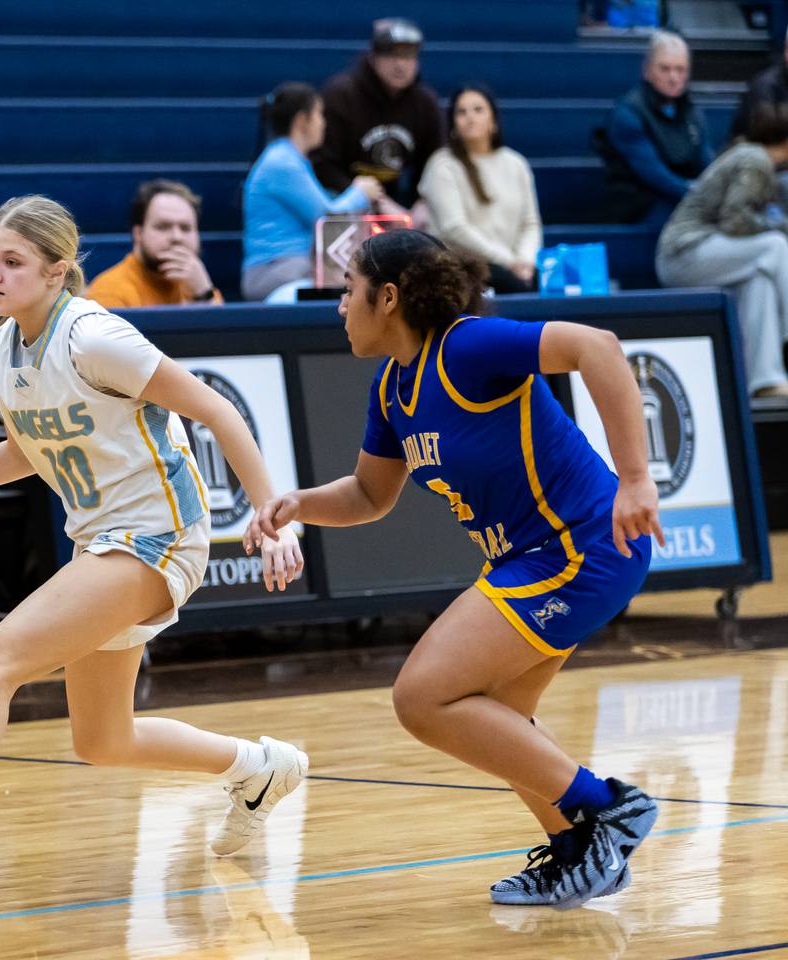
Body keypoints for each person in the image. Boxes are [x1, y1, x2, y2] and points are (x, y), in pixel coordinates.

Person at [0, 195, 308, 913]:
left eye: (12, 262)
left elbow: (215, 408)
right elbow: (24, 451)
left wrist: (272, 516)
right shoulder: (2, 348)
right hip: (100, 540)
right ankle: (258, 767)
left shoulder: (95, 337)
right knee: (102, 739)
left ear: (57, 271)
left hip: (156, 536)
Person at [251, 229, 665, 908]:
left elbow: (598, 346)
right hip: (534, 557)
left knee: (421, 698)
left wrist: (638, 479)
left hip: (583, 545)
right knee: (500, 718)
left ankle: (608, 808)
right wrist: (298, 504)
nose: (339, 305)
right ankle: (580, 854)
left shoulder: (466, 347)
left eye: (349, 289)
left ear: (388, 297)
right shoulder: (392, 389)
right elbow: (369, 496)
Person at [656, 103, 788, 399]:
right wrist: (780, 227)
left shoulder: (753, 156)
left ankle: (765, 380)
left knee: (760, 281)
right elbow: (735, 220)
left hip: (707, 252)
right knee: (776, 246)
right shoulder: (755, 159)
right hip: (683, 254)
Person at [242, 83, 385, 301]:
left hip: (293, 267)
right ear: (302, 120)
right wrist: (360, 192)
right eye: (319, 114)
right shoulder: (282, 163)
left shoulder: (290, 159)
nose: (323, 123)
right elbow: (326, 218)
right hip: (274, 271)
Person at [310, 18, 444, 214]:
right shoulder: (340, 96)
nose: (400, 64)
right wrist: (370, 200)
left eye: (408, 56)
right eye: (392, 55)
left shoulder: (425, 103)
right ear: (373, 58)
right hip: (343, 201)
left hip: (397, 203)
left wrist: (423, 201)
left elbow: (436, 162)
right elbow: (323, 164)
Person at [420, 85, 543, 294]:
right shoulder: (442, 165)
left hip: (514, 268)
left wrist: (526, 261)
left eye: (478, 110)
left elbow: (530, 223)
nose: (470, 117)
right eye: (462, 112)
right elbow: (454, 228)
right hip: (464, 268)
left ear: (493, 119)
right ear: (453, 123)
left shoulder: (516, 163)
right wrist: (509, 262)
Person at [597, 30, 714, 228]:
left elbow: (707, 162)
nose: (673, 77)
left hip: (683, 198)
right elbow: (654, 175)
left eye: (680, 70)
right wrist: (699, 197)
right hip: (642, 205)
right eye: (665, 69)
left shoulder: (692, 112)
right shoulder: (627, 114)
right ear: (647, 70)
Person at [86, 179, 223, 308]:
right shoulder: (109, 292)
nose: (177, 237)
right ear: (138, 233)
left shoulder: (199, 284)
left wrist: (204, 295)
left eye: (185, 228)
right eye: (163, 227)